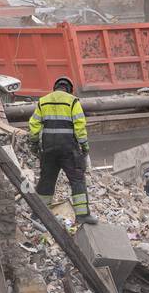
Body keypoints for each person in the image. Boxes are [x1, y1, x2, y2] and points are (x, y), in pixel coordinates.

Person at [28, 75, 97, 226]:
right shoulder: (73, 101)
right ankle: (83, 215)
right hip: (68, 150)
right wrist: (85, 146)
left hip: (49, 149)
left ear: (55, 87)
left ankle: (39, 214)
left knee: (46, 181)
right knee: (77, 180)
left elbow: (34, 125)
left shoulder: (43, 101)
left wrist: (33, 144)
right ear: (69, 89)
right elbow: (80, 127)